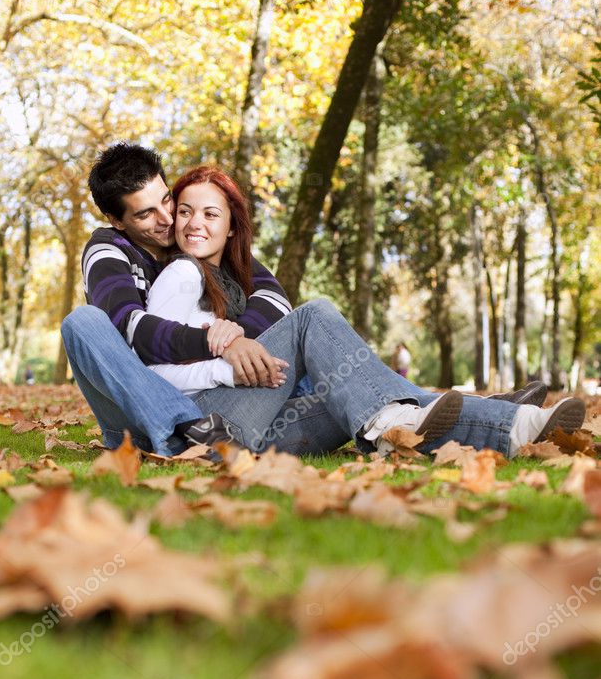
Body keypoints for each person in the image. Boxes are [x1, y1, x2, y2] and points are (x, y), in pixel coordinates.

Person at [62, 144, 584, 457]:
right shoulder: (113, 252)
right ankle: (177, 439)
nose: (166, 220)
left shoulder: (203, 251)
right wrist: (217, 344)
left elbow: (273, 300)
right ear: (117, 219)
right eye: (144, 214)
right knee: (83, 322)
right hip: (177, 415)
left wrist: (243, 338)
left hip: (244, 432)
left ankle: (514, 427)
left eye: (167, 203)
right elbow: (133, 333)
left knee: (349, 390)